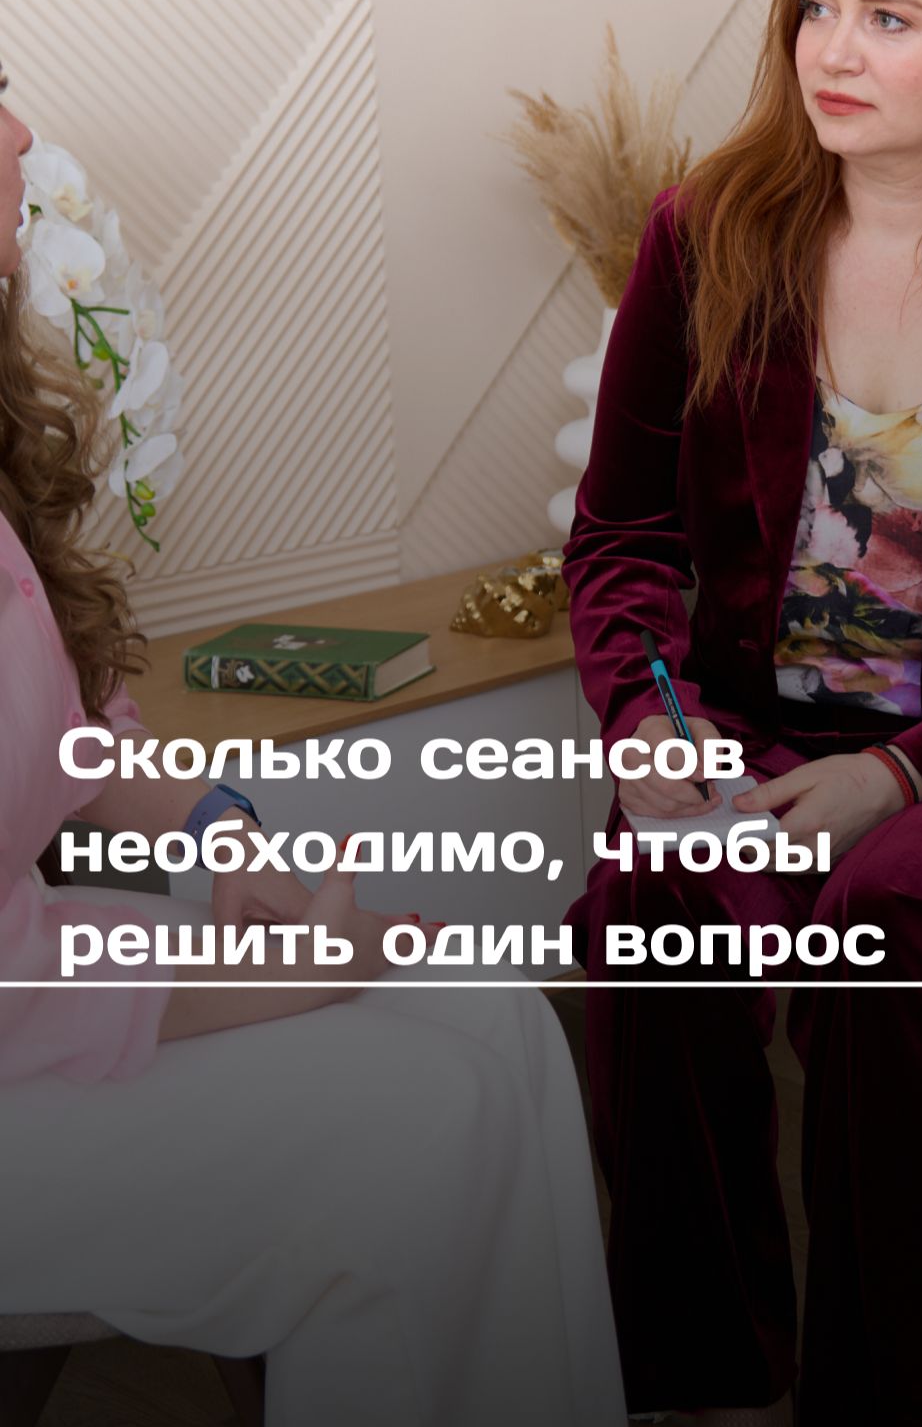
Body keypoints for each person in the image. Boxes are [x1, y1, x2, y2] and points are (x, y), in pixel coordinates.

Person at [0, 90, 628, 1427]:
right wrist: (245, 985)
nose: (22, 137)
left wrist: (227, 833)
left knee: (497, 1015)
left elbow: (78, 729)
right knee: (428, 1121)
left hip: (42, 982)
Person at [561, 0, 922, 1427]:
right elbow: (627, 535)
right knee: (649, 897)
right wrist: (651, 721)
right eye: (817, 8)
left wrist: (903, 778)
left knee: (896, 916)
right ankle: (708, 1379)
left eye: (891, 18)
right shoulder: (708, 232)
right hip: (756, 728)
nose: (834, 53)